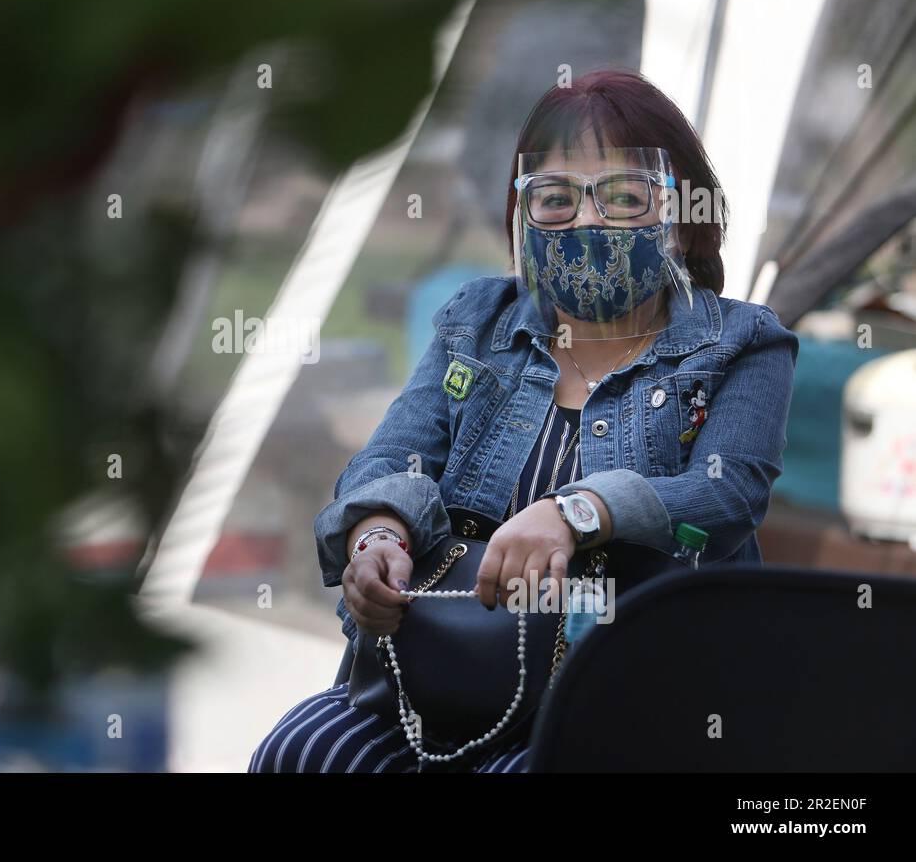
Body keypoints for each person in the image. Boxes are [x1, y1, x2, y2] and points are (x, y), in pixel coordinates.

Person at [249, 68, 799, 773]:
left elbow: (724, 502)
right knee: (301, 753)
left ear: (687, 219)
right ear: (522, 215)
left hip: (625, 691)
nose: (588, 221)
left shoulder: (744, 342)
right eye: (556, 198)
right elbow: (389, 462)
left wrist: (578, 511)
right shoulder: (476, 321)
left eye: (626, 197)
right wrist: (374, 539)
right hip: (440, 677)